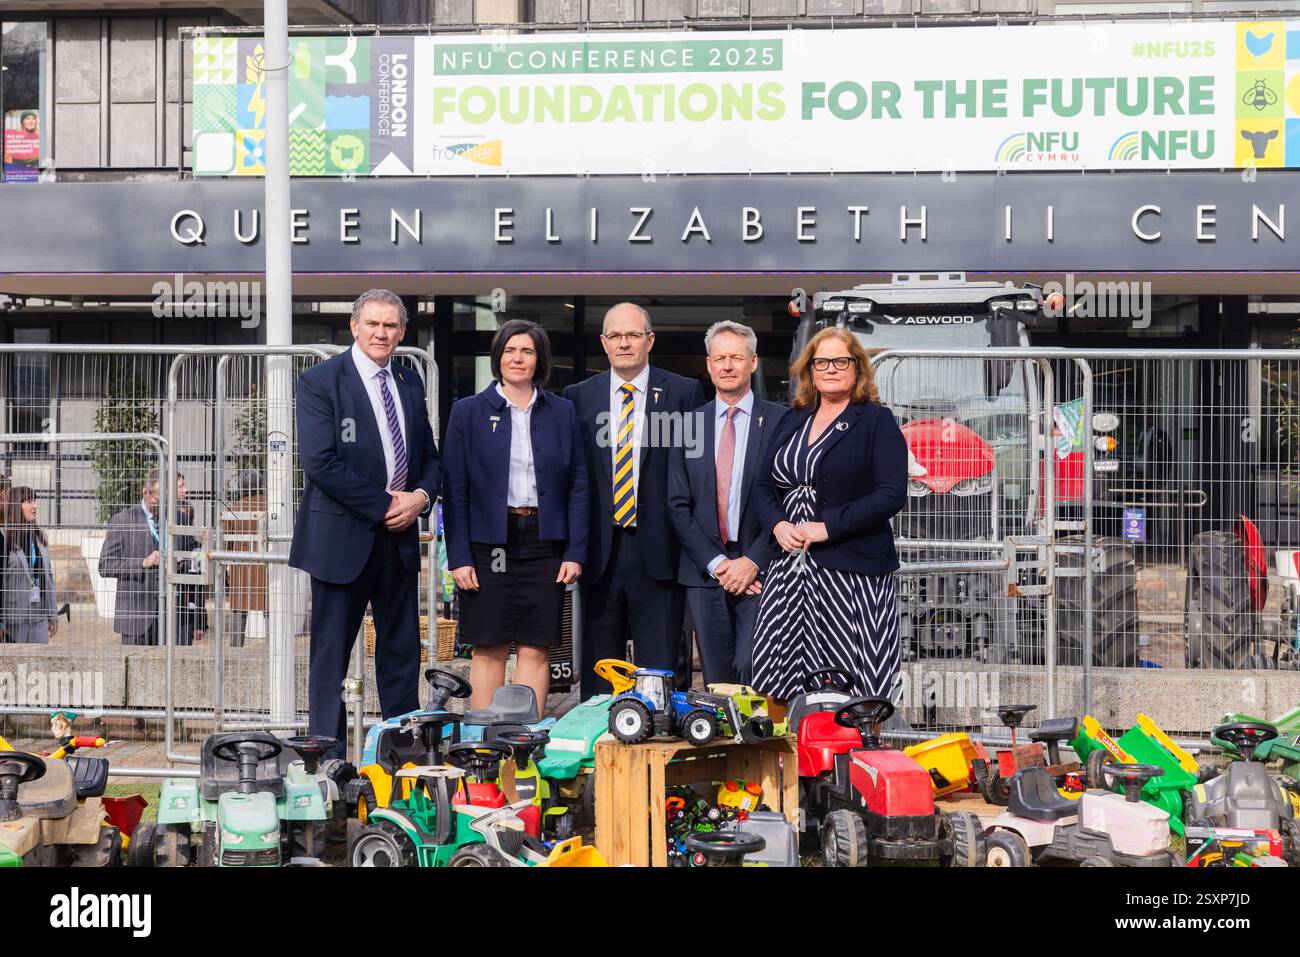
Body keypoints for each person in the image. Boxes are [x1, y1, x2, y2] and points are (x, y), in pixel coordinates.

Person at [289, 288, 441, 752]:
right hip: (341, 542)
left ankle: (399, 761)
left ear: (402, 332)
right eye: (372, 323)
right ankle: (330, 769)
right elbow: (320, 462)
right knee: (330, 662)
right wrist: (383, 505)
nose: (381, 332)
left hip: (398, 544)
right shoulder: (321, 381)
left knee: (400, 659)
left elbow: (431, 459)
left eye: (391, 325)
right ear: (354, 326)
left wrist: (418, 498)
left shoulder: (410, 383)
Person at [750, 327, 909, 705]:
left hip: (852, 575)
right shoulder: (793, 419)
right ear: (810, 370)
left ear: (857, 368)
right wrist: (778, 524)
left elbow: (890, 495)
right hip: (791, 569)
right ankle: (796, 755)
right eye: (822, 362)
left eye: (841, 361)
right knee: (779, 669)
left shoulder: (875, 419)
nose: (831, 369)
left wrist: (828, 527)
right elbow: (761, 485)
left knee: (852, 677)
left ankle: (858, 754)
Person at [443, 320, 588, 710]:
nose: (517, 358)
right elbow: (455, 490)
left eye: (526, 351)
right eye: (509, 350)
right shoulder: (467, 412)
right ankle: (483, 745)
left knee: (535, 644)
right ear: (498, 357)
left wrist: (575, 551)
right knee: (488, 644)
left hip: (545, 541)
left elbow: (578, 484)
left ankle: (526, 743)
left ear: (539, 359)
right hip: (488, 542)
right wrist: (458, 557)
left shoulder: (562, 411)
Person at [565, 302, 705, 698]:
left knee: (659, 670)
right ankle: (599, 748)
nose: (624, 343)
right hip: (599, 551)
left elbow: (696, 472)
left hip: (660, 550)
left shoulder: (683, 392)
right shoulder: (578, 397)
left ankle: (658, 748)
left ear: (650, 340)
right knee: (597, 671)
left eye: (633, 335)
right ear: (604, 343)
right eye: (616, 336)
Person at [668, 321, 787, 685]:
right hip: (706, 573)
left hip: (762, 570)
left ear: (753, 362)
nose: (728, 365)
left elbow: (788, 502)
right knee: (717, 680)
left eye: (737, 357)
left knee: (753, 667)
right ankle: (722, 744)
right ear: (708, 365)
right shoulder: (688, 425)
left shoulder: (783, 422)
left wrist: (752, 561)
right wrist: (720, 564)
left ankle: (757, 742)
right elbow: (677, 504)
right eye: (720, 357)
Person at [98, 470, 200, 645]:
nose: (162, 505)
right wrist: (143, 562)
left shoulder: (180, 518)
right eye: (159, 500)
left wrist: (182, 560)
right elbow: (105, 565)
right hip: (136, 618)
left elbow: (194, 555)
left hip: (173, 616)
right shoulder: (122, 521)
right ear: (145, 492)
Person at [0, 486, 58, 644]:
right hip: (13, 619)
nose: (35, 506)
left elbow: (49, 577)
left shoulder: (40, 536)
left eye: (35, 501)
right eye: (29, 501)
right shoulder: (4, 537)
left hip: (39, 614)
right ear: (16, 506)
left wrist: (52, 613)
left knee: (37, 664)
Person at [174, 472, 209, 645]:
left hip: (183, 611)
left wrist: (200, 622)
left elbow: (198, 586)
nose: (185, 491)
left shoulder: (194, 546)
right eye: (180, 486)